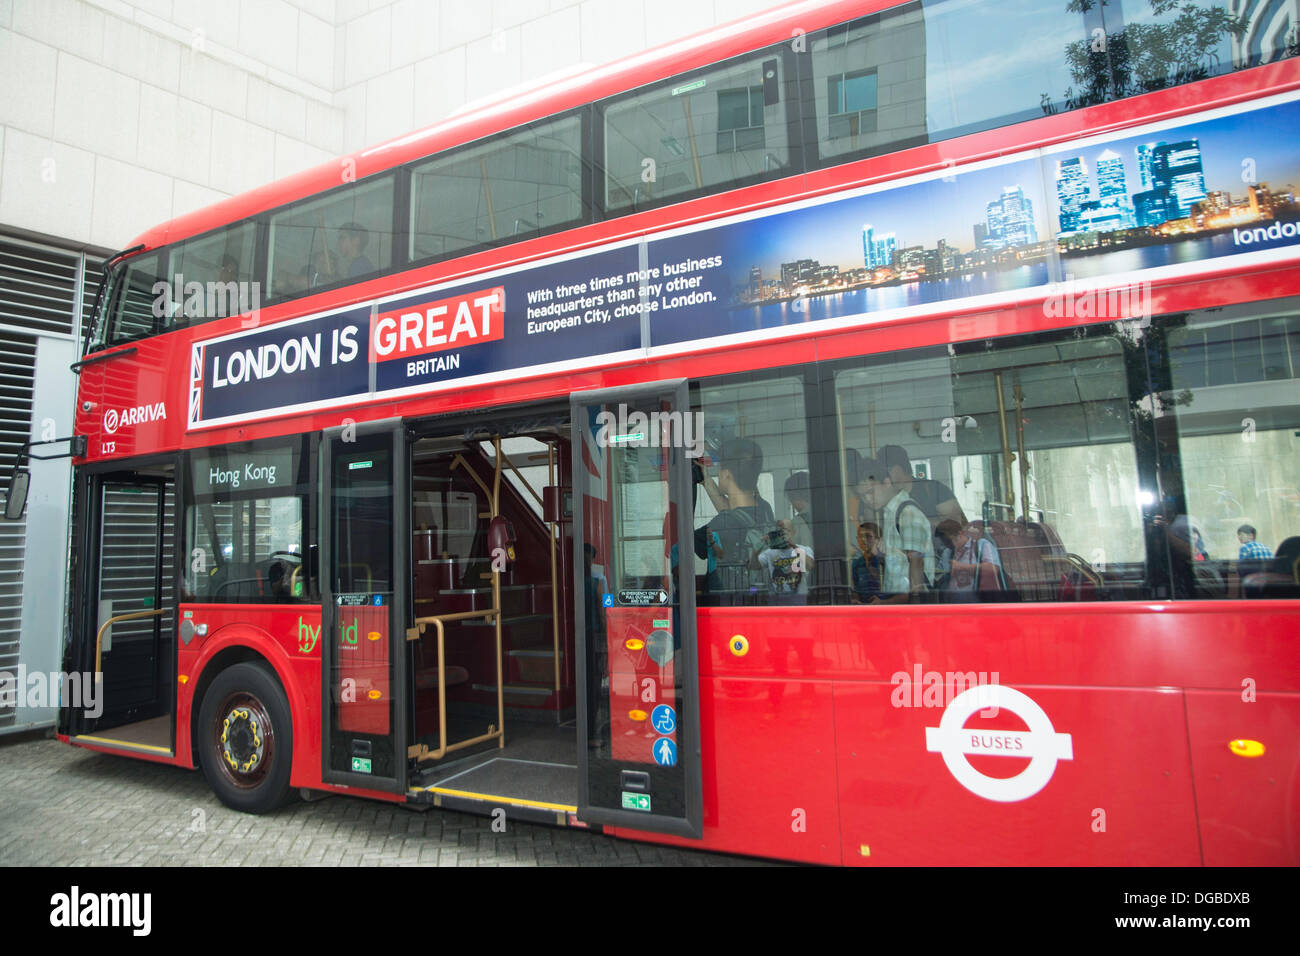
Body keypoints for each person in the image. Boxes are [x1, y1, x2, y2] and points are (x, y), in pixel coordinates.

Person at [703, 438, 775, 599]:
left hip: (728, 605)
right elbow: (736, 514)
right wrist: (706, 480)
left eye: (719, 469)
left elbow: (680, 551)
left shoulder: (720, 525)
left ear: (726, 474)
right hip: (760, 599)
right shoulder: (765, 509)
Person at [855, 456, 933, 602]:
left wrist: (886, 604)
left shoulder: (907, 513)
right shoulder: (891, 514)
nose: (867, 499)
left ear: (887, 482)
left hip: (910, 608)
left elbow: (916, 570)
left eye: (870, 492)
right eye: (863, 496)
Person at [877, 444, 967, 526]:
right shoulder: (888, 499)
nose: (884, 475)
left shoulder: (934, 489)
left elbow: (955, 525)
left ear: (900, 467)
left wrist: (917, 522)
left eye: (887, 470)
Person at [758, 519, 813, 599]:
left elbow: (810, 566)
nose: (783, 535)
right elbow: (753, 567)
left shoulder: (804, 550)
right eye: (780, 532)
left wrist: (793, 546)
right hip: (776, 601)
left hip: (799, 600)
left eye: (786, 531)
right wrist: (756, 551)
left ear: (793, 532)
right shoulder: (769, 553)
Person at [947, 520, 1004, 596]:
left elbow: (992, 569)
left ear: (960, 535)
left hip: (977, 602)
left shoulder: (981, 545)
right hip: (952, 603)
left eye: (949, 541)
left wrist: (961, 567)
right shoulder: (948, 552)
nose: (948, 545)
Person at [850, 521, 885, 603]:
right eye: (860, 537)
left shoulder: (886, 562)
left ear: (878, 539)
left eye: (868, 536)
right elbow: (856, 592)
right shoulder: (856, 564)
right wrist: (856, 601)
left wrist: (883, 602)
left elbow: (903, 596)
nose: (863, 540)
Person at [784, 471, 813, 547]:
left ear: (795, 498)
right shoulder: (827, 515)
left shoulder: (797, 522)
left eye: (790, 498)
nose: (791, 504)